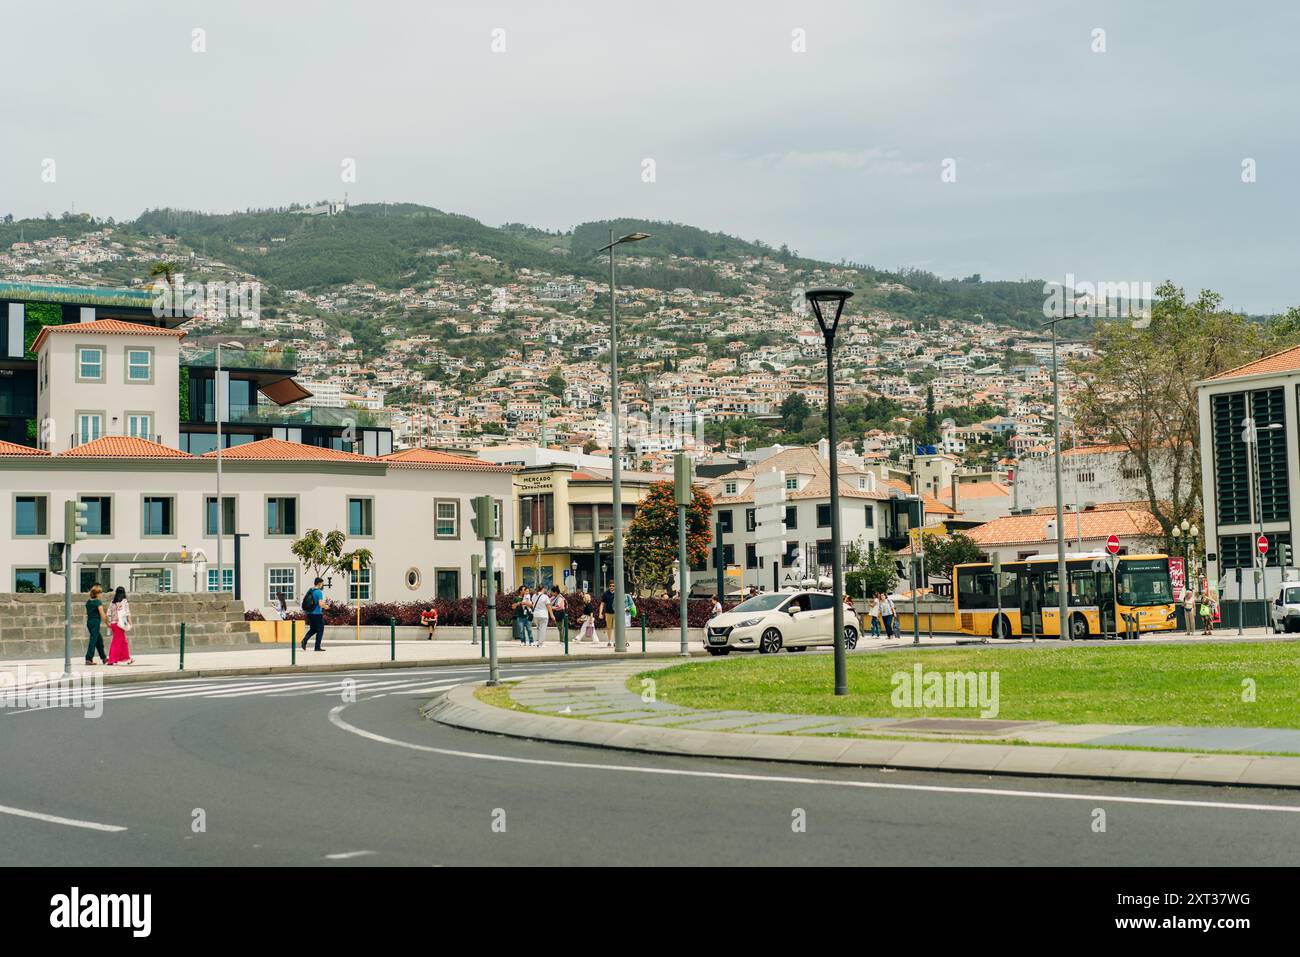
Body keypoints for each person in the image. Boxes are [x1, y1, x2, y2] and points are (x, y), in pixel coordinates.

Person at [106, 586, 134, 665]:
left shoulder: (112, 602)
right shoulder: (124, 602)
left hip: (113, 624)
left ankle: (127, 658)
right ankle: (112, 659)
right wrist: (130, 623)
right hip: (120, 624)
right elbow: (127, 613)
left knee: (123, 642)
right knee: (116, 642)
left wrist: (109, 623)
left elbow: (108, 613)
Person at [83, 584, 108, 665]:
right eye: (100, 593)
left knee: (99, 640)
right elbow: (102, 614)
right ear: (96, 594)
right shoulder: (98, 602)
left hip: (89, 622)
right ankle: (88, 658)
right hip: (95, 622)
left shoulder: (88, 602)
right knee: (93, 641)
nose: (101, 594)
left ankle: (104, 658)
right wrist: (107, 623)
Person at [301, 577, 326, 652]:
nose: (322, 585)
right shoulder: (318, 592)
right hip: (317, 613)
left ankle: (304, 640)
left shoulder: (310, 590)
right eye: (322, 584)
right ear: (319, 583)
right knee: (320, 630)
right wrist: (326, 606)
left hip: (309, 613)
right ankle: (317, 647)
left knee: (313, 629)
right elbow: (321, 604)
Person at [598, 583, 617, 648]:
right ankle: (609, 641)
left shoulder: (617, 593)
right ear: (609, 586)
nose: (611, 587)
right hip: (608, 613)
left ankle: (615, 641)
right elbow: (602, 604)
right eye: (610, 586)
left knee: (616, 628)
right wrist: (600, 613)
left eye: (613, 586)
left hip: (616, 613)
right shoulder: (605, 594)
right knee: (609, 628)